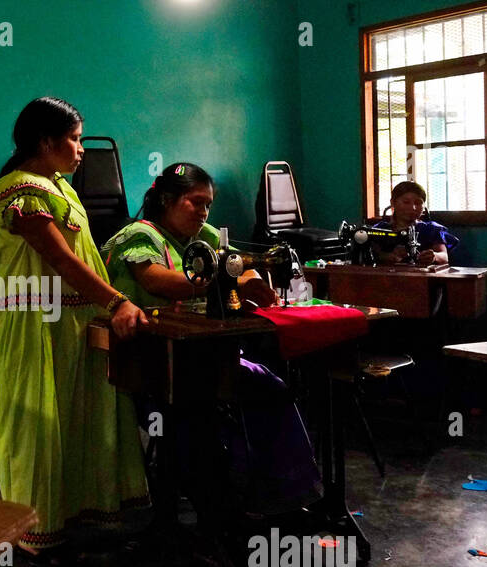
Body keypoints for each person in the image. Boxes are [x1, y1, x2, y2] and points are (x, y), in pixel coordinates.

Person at [101, 162, 322, 532]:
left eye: (208, 204)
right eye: (195, 202)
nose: (204, 212)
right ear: (168, 200)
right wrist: (220, 280)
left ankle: (280, 494)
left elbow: (241, 264)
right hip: (148, 363)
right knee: (195, 416)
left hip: (202, 356)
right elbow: (157, 281)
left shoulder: (202, 234)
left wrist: (251, 279)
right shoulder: (137, 236)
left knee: (271, 389)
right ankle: (218, 508)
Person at [0, 98, 148, 555]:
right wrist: (117, 301)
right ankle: (32, 527)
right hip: (34, 323)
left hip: (73, 320)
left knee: (80, 419)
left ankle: (71, 512)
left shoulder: (60, 188)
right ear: (45, 141)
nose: (80, 149)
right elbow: (59, 258)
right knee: (37, 424)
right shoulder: (19, 190)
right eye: (73, 139)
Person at [374, 180, 457, 266]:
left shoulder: (431, 229)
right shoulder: (379, 229)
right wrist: (386, 256)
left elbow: (444, 257)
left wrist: (434, 256)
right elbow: (373, 253)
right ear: (393, 203)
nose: (413, 208)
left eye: (418, 203)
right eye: (406, 202)